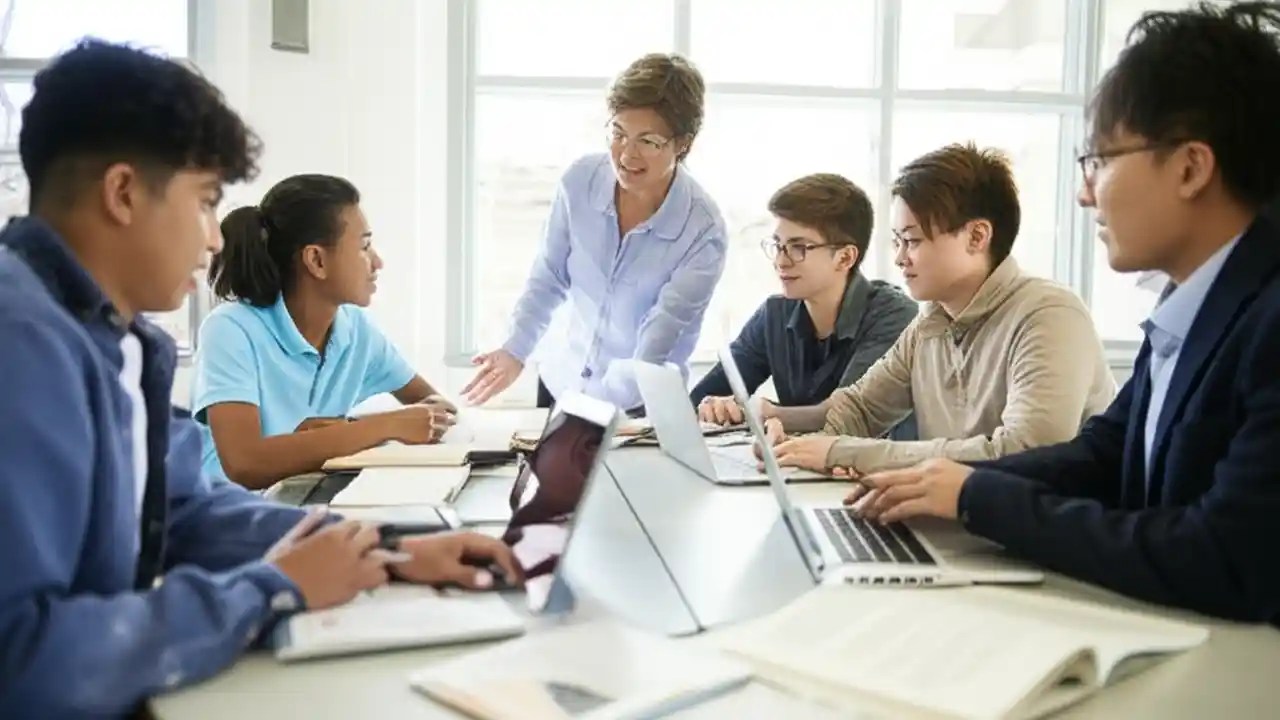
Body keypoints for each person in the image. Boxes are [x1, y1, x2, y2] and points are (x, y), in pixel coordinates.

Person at [0, 41, 518, 717]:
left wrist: (391, 549)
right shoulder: (23, 344)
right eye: (206, 202)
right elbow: (19, 659)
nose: (215, 239)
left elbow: (186, 513)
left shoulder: (116, 341)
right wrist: (270, 588)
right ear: (123, 192)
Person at [847, 2, 1280, 624]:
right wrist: (951, 484)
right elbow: (1105, 452)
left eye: (1099, 161)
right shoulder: (1196, 305)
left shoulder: (1268, 320)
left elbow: (1221, 557)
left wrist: (976, 498)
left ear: (1190, 167)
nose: (1084, 192)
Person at [761, 143, 1116, 475]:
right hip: (957, 522)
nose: (900, 258)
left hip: (1038, 535)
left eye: (912, 241)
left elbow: (1025, 453)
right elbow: (860, 408)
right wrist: (794, 446)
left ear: (977, 237)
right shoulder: (931, 323)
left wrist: (845, 452)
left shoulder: (1050, 315)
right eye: (898, 241)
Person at [463, 53, 728, 413]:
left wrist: (597, 413)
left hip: (634, 402)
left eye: (648, 141)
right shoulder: (579, 182)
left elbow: (660, 334)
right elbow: (549, 275)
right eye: (618, 133)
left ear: (683, 143)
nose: (626, 155)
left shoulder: (702, 229)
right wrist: (515, 349)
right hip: (562, 383)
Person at [193, 174, 455, 489]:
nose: (378, 262)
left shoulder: (356, 330)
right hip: (223, 519)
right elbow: (245, 463)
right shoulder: (231, 329)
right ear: (316, 260)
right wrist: (383, 425)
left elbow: (439, 407)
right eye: (365, 246)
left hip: (301, 506)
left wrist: (345, 429)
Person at [691, 173, 917, 428]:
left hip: (874, 466)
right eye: (778, 245)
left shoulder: (894, 316)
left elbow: (850, 415)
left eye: (799, 248)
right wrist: (712, 405)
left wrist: (762, 413)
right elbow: (705, 395)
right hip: (796, 464)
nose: (781, 261)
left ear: (844, 258)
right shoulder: (774, 315)